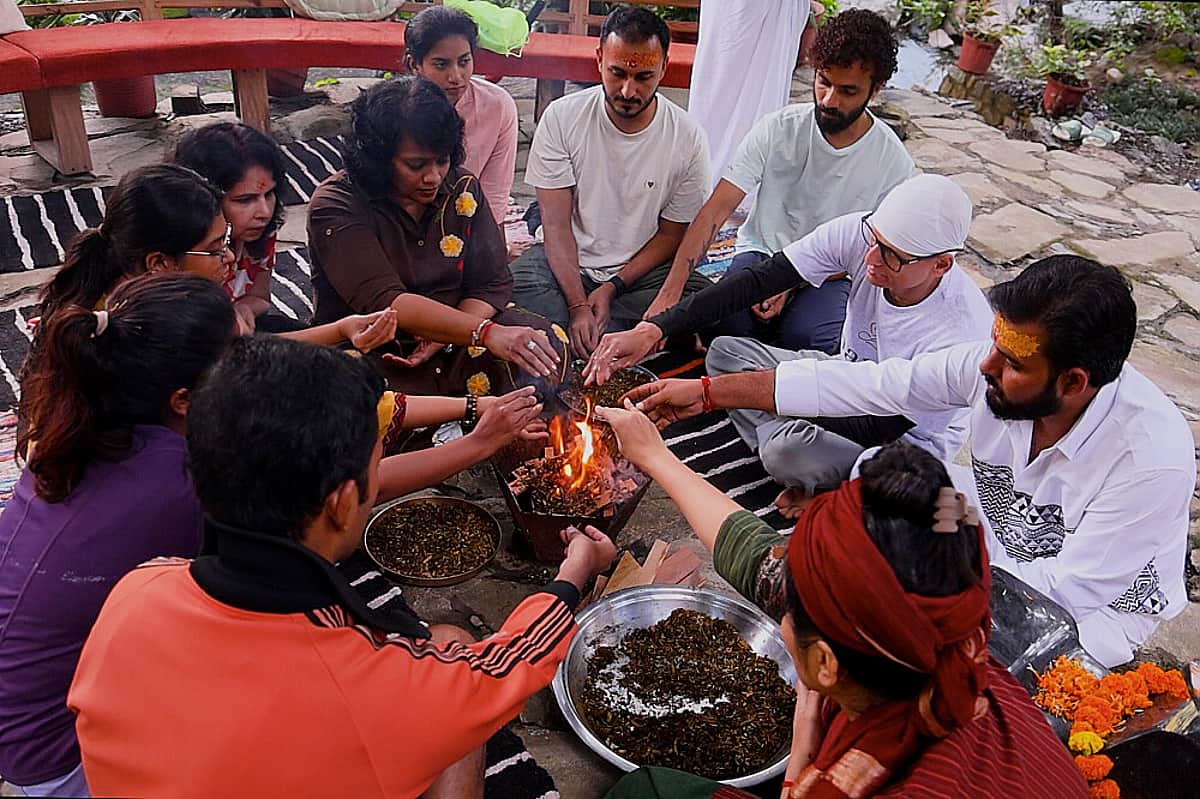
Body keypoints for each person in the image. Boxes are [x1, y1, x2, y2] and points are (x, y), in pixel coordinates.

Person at [68, 335, 617, 799]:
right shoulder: (370, 694)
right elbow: (506, 666)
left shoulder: (136, 591)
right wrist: (572, 578)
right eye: (378, 463)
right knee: (450, 650)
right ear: (339, 502)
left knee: (440, 637)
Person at [625, 256, 1195, 667]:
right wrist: (707, 394)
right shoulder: (998, 362)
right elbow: (872, 385)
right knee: (880, 478)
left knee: (963, 678)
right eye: (993, 344)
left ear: (1074, 382)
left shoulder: (1151, 459)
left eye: (1011, 360)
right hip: (983, 529)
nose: (985, 365)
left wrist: (912, 583)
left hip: (1095, 617)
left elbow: (1065, 596)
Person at [595, 406, 1090, 799]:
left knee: (651, 788)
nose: (781, 605)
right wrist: (657, 457)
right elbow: (758, 561)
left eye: (791, 610)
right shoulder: (952, 650)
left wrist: (800, 762)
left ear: (828, 664)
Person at [587, 175, 993, 511]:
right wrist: (654, 329)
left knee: (786, 450)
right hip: (840, 374)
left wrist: (739, 396)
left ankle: (819, 476)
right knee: (727, 352)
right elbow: (759, 279)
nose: (870, 259)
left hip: (895, 443)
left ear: (942, 264)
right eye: (874, 240)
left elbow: (874, 422)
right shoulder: (864, 234)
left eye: (892, 256)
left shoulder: (960, 335)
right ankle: (788, 449)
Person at [0, 274, 236, 798]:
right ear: (183, 400)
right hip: (61, 758)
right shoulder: (178, 485)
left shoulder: (74, 427)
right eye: (234, 360)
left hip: (18, 720)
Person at [644, 9, 914, 356]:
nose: (829, 100)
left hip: (829, 274)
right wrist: (670, 294)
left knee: (817, 341)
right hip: (761, 254)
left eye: (847, 91)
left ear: (875, 90)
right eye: (823, 82)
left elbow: (870, 254)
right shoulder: (779, 128)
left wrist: (791, 279)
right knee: (722, 324)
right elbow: (716, 210)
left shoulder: (893, 162)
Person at [308, 75, 559, 395]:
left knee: (545, 345)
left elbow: (491, 283)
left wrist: (448, 335)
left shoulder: (462, 187)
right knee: (359, 398)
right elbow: (387, 302)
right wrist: (485, 333)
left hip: (456, 339)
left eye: (442, 161)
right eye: (415, 165)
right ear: (378, 160)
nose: (433, 176)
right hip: (372, 351)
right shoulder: (335, 204)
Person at [510, 6, 713, 357]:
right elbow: (555, 227)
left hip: (640, 275)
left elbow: (671, 234)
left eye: (644, 77)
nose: (628, 91)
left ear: (664, 67)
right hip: (565, 266)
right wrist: (577, 305)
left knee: (710, 302)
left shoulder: (687, 136)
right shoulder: (562, 118)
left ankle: (600, 337)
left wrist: (612, 288)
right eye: (617, 73)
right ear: (599, 58)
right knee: (515, 286)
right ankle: (613, 336)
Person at [173, 121, 298, 333]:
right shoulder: (189, 251)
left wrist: (243, 309)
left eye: (268, 195)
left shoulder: (260, 234)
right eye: (245, 200)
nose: (264, 212)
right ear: (205, 197)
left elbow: (259, 297)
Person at [405, 5, 519, 232]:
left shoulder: (497, 106)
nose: (456, 77)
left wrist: (493, 255)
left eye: (464, 62)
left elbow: (494, 197)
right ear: (414, 65)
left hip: (466, 224)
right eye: (441, 64)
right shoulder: (391, 111)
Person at [688, 0, 812, 183]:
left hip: (778, 11)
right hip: (733, 12)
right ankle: (703, 173)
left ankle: (749, 175)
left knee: (766, 85)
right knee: (719, 80)